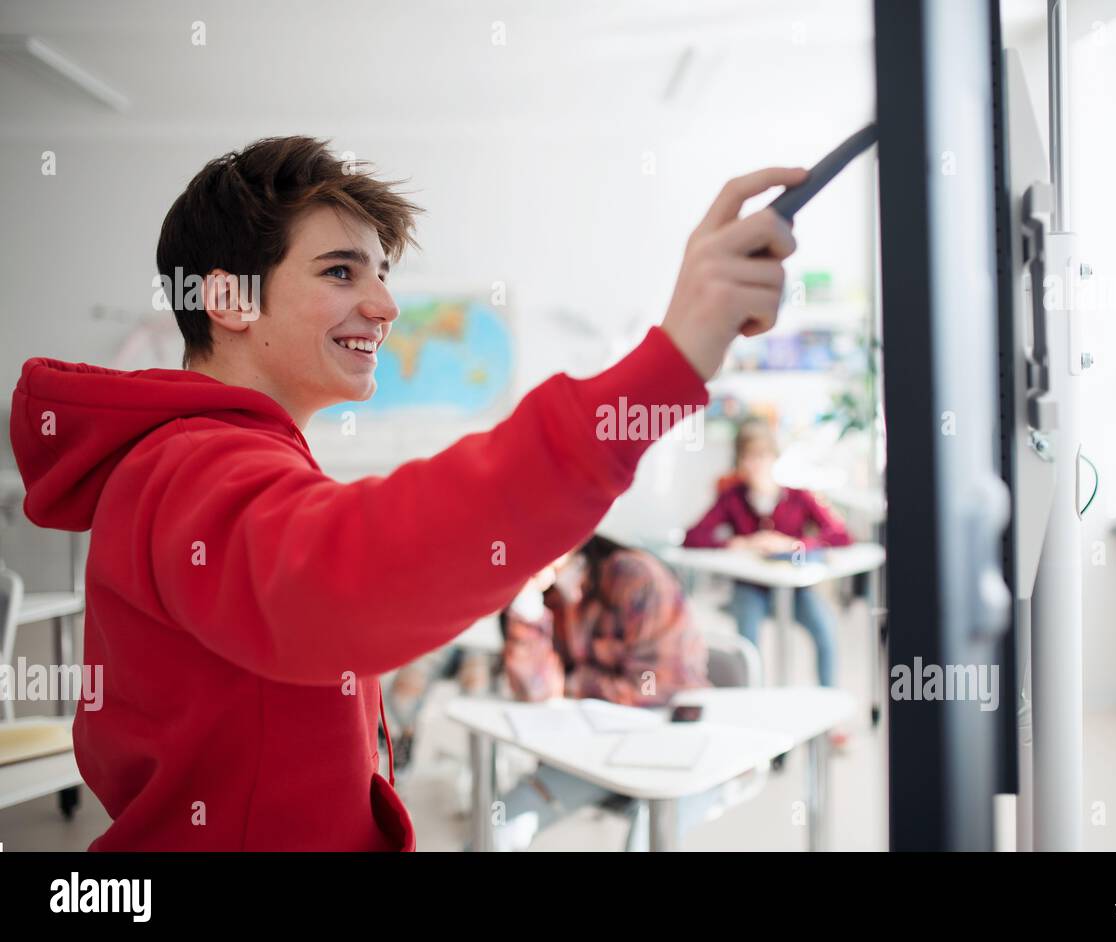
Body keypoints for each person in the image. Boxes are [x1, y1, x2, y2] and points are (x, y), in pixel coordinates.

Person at [8, 135, 805, 850]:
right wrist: (666, 364)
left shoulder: (218, 457)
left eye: (381, 275)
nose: (386, 307)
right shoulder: (188, 465)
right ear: (228, 300)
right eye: (341, 271)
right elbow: (352, 577)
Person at [492, 535, 715, 850]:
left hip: (671, 746)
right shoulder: (542, 594)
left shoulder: (636, 577)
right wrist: (527, 607)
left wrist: (571, 686)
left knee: (643, 843)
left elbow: (658, 687)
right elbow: (537, 693)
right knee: (496, 827)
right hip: (590, 748)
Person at [683, 418, 851, 690]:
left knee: (825, 630)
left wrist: (793, 544)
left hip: (794, 588)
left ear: (774, 457)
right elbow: (693, 537)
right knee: (748, 646)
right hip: (750, 587)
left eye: (761, 456)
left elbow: (840, 535)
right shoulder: (731, 498)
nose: (755, 464)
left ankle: (828, 707)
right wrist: (739, 543)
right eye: (748, 457)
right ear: (739, 461)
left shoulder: (799, 497)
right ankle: (753, 703)